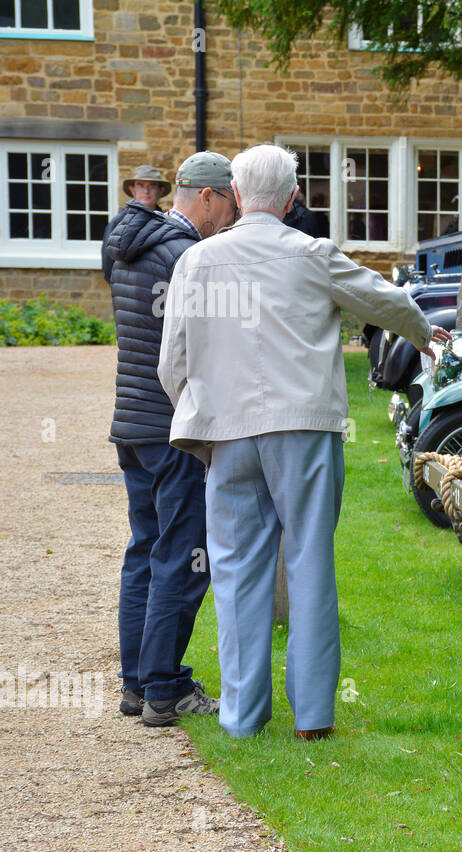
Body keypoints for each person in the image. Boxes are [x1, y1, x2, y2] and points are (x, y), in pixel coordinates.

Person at [159, 144, 451, 741]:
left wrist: (200, 414)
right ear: (294, 198)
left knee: (236, 570)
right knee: (310, 562)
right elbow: (385, 299)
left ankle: (242, 717)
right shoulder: (313, 253)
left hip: (229, 430)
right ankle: (313, 718)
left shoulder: (197, 261)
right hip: (306, 429)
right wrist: (424, 334)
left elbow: (173, 362)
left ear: (237, 196)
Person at [104, 151, 238, 726]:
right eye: (228, 206)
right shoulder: (185, 255)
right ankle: (163, 686)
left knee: (144, 550)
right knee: (184, 557)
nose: (230, 220)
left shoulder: (131, 245)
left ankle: (136, 683)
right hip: (170, 428)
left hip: (130, 424)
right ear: (205, 197)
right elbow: (206, 347)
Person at [102, 164, 171, 282]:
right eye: (140, 185)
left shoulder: (168, 222)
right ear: (132, 189)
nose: (146, 191)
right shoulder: (118, 222)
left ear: (161, 190)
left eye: (152, 186)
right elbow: (108, 264)